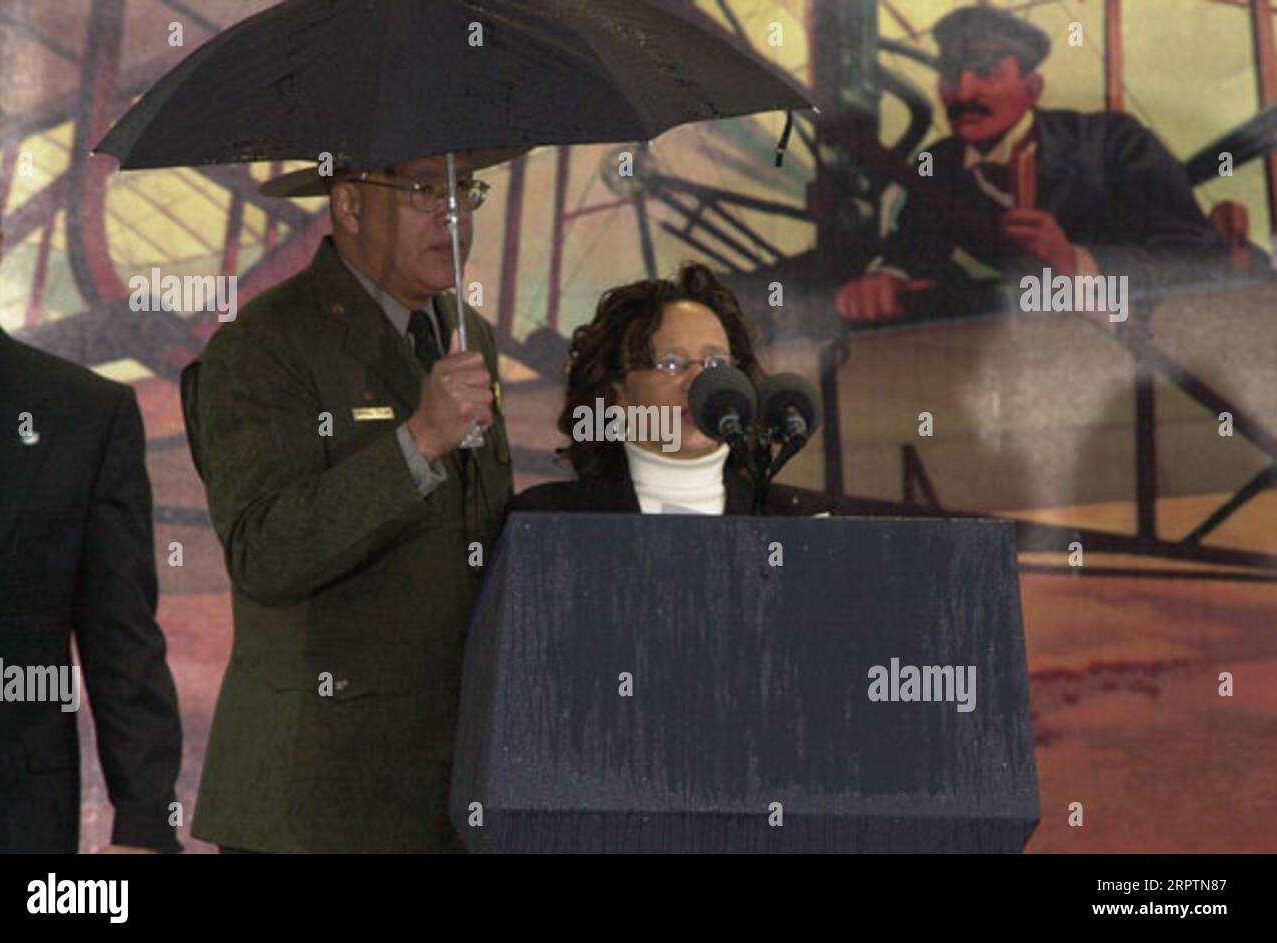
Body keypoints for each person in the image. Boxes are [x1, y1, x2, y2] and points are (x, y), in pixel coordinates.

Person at [182, 149, 515, 853]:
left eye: (465, 190)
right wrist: (419, 440)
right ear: (350, 204)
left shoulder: (467, 335)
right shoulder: (262, 344)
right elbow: (264, 550)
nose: (452, 215)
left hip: (450, 795)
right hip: (314, 807)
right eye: (426, 190)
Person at [0, 164, 182, 853]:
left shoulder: (85, 415)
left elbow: (122, 638)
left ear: (1, 243)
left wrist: (146, 821)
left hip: (14, 819)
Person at [836, 4, 1229, 323]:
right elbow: (915, 250)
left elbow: (1201, 261)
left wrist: (1074, 262)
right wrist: (888, 279)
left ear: (1033, 88)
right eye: (950, 75)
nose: (963, 93)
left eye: (987, 73)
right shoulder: (935, 164)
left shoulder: (1111, 143)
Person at [512, 262, 845, 516]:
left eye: (716, 365)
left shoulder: (797, 520)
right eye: (671, 364)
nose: (700, 383)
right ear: (618, 396)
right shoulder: (550, 516)